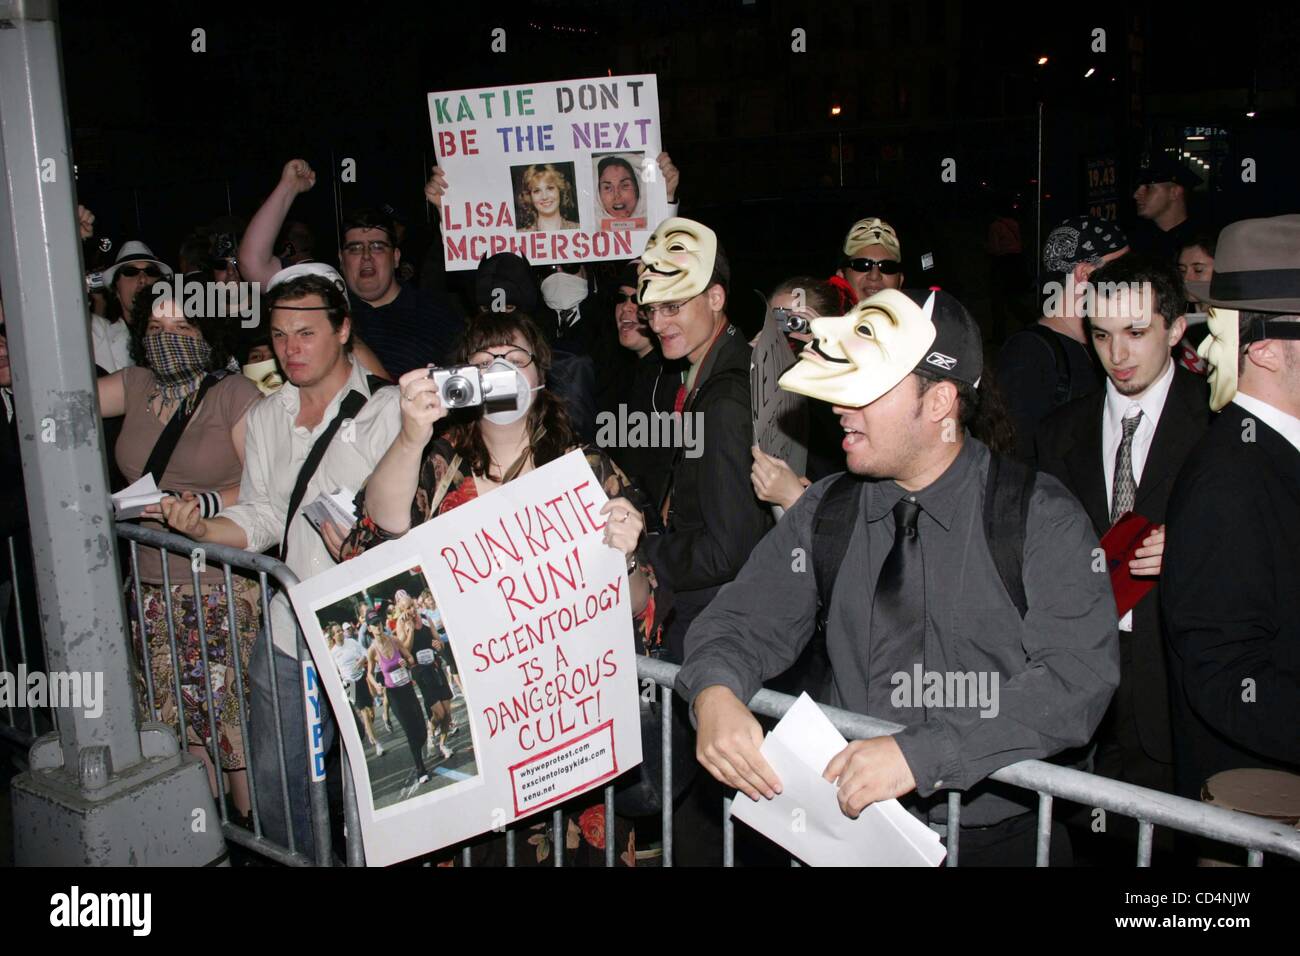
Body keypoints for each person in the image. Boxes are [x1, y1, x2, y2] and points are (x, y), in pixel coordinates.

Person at [681, 288, 1119, 865]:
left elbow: (1076, 677)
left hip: (998, 841)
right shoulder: (827, 512)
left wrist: (922, 754)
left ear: (938, 401)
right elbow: (741, 621)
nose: (840, 408)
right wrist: (713, 691)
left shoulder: (1038, 516)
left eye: (867, 392)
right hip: (856, 833)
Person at [340, 310, 658, 864]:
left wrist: (627, 556)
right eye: (484, 364)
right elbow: (382, 526)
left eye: (515, 360)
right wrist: (412, 435)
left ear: (541, 372)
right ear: (461, 378)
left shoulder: (586, 469)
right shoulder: (439, 462)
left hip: (560, 717)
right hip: (485, 724)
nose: (502, 372)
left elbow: (636, 605)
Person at [160, 262, 402, 857]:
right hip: (290, 627)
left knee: (380, 782)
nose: (290, 349)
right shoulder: (267, 416)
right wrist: (205, 526)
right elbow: (268, 513)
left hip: (366, 632)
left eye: (307, 332)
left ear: (344, 329)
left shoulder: (391, 410)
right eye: (279, 335)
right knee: (277, 783)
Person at [1035, 253, 1210, 810]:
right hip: (1080, 684)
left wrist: (1189, 553)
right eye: (1103, 334)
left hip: (1179, 681)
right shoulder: (1058, 432)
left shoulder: (1219, 426)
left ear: (1177, 328)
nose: (1118, 354)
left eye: (1136, 332)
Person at [97, 271, 263, 818]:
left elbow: (269, 482)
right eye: (156, 324)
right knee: (180, 728)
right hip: (151, 586)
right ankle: (206, 840)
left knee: (232, 733)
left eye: (183, 324)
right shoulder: (136, 383)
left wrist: (206, 505)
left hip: (219, 587)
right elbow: (52, 396)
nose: (168, 336)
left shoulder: (234, 393)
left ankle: (255, 843)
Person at [1162, 214, 1300, 799]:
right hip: (1265, 815)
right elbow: (1227, 679)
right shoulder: (1230, 480)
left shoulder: (1271, 455)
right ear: (1265, 350)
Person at [636, 217, 774, 662]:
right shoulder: (722, 368)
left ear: (715, 298)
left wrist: (648, 550)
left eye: (672, 306)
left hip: (719, 625)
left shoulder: (724, 397)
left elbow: (726, 549)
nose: (658, 323)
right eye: (652, 310)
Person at [239, 159, 459, 377]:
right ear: (341, 260)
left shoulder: (434, 310)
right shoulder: (325, 302)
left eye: (377, 247)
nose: (365, 256)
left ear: (396, 257)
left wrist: (450, 210)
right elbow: (253, 264)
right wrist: (288, 187)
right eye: (354, 249)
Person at [998, 216, 1129, 460]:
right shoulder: (1028, 354)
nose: (1131, 280)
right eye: (1121, 269)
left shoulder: (1097, 343)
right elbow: (1016, 459)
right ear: (1084, 274)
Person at [750, 276, 846, 513]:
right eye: (778, 322)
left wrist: (825, 352)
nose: (787, 333)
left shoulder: (847, 391)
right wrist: (752, 364)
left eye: (795, 322)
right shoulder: (762, 379)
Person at [596, 261, 683, 510]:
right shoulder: (620, 372)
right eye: (621, 298)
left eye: (638, 299)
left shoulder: (676, 375)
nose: (626, 308)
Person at [367, 615, 430, 786]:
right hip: (394, 695)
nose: (377, 626)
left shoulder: (394, 641)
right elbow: (369, 674)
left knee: (421, 731)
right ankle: (420, 769)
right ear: (369, 629)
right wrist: (377, 686)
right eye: (373, 625)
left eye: (378, 623)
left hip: (407, 689)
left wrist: (406, 662)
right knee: (410, 732)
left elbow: (410, 658)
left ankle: (420, 745)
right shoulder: (372, 650)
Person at [95, 240, 174, 369]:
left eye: (150, 271)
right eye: (130, 272)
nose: (143, 279)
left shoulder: (180, 335)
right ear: (116, 289)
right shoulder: (101, 336)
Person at [1129, 158, 1203, 264]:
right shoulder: (1135, 242)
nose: (1136, 195)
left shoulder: (1203, 241)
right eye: (1138, 187)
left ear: (1174, 192)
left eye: (1148, 187)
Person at [329, 623, 382, 756]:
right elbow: (334, 672)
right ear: (333, 636)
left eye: (341, 630)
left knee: (371, 712)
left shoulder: (351, 642)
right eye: (337, 632)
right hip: (349, 684)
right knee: (363, 711)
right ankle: (377, 743)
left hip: (361, 677)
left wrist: (361, 661)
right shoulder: (333, 653)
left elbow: (365, 653)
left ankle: (368, 729)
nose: (340, 633)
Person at [833, 217, 905, 303]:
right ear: (841, 277)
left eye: (887, 266)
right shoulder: (818, 315)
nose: (874, 276)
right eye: (862, 265)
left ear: (900, 281)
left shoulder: (920, 315)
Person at [516, 164, 580, 232]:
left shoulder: (578, 228)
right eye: (537, 191)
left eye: (550, 188)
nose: (544, 197)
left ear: (560, 191)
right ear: (530, 197)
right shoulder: (520, 234)